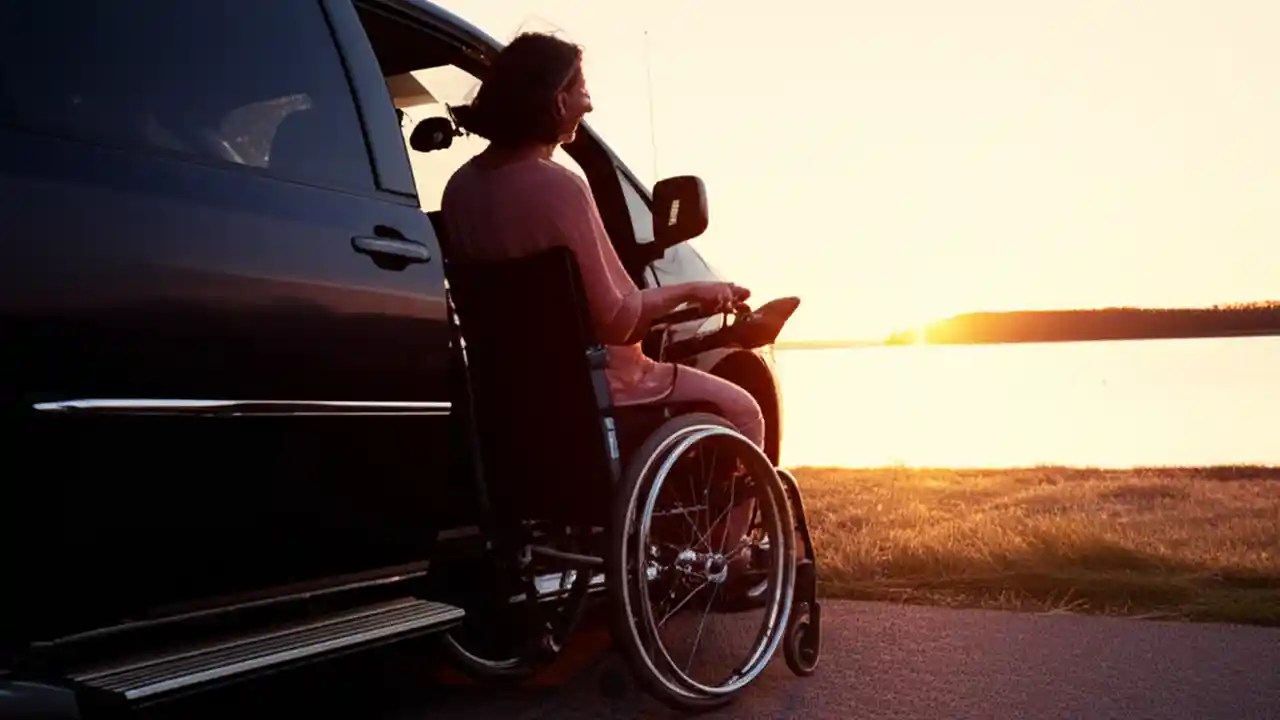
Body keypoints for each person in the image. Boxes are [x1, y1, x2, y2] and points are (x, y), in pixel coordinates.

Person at [439, 32, 768, 563]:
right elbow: (619, 319)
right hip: (604, 392)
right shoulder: (562, 188)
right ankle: (722, 564)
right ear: (556, 100)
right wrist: (699, 292)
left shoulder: (459, 191)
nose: (589, 102)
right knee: (745, 410)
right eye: (582, 88)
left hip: (508, 404)